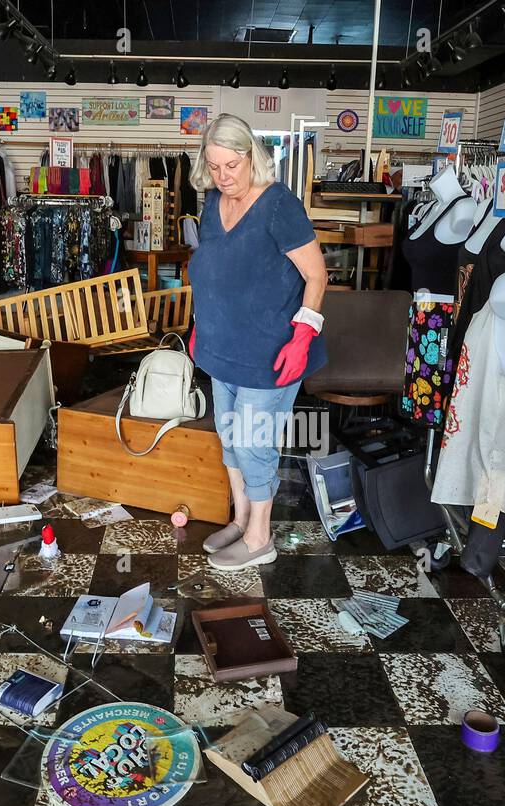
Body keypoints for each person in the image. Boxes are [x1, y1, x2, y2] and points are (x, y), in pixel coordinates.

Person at [187, 113, 329, 570]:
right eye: (214, 166)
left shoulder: (277, 204)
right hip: (220, 345)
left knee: (253, 443)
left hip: (271, 351)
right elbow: (214, 268)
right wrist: (198, 327)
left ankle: (260, 538)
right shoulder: (212, 203)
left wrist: (303, 335)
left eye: (232, 165)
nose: (224, 176)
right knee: (229, 439)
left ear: (252, 158)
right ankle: (242, 517)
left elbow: (316, 275)